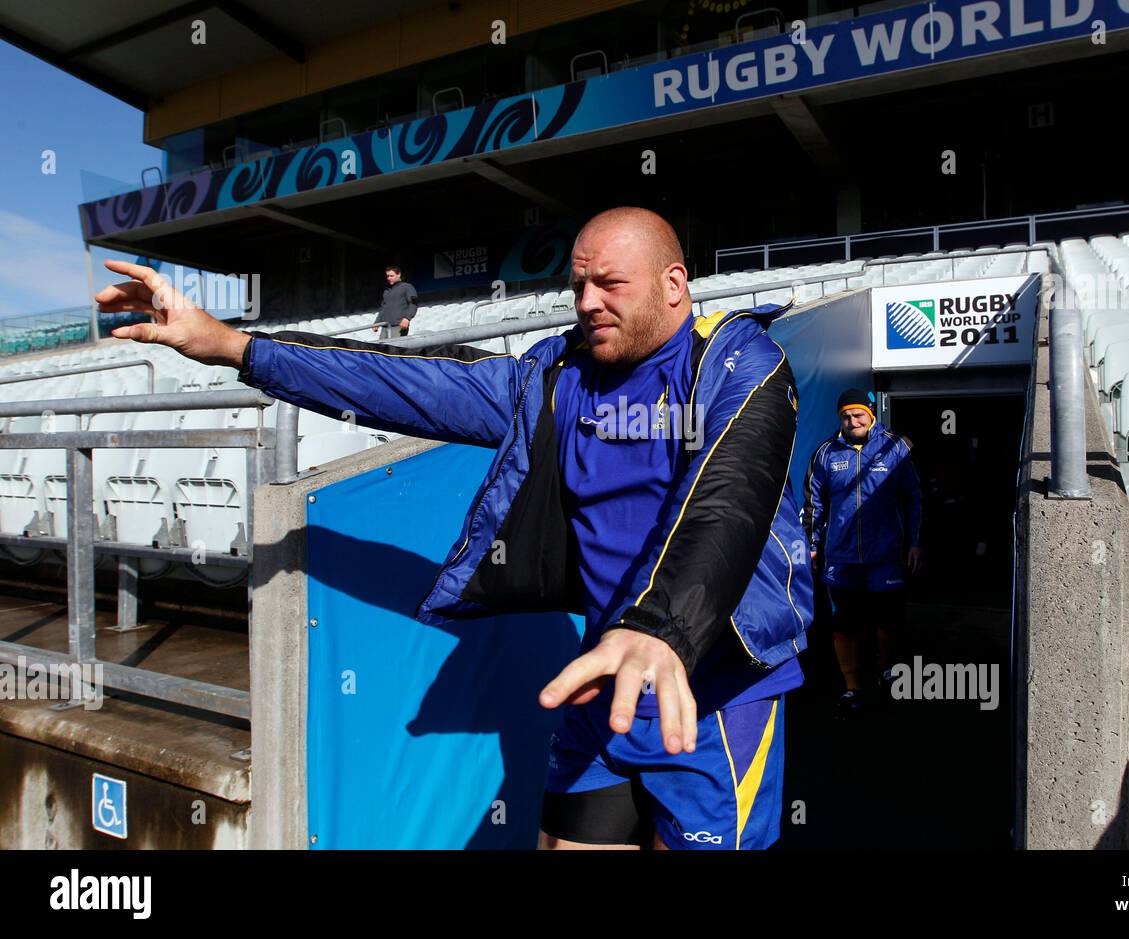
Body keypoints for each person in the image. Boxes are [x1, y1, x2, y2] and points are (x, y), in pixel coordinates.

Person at [98, 206, 812, 850]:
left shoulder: (734, 364)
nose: (587, 303)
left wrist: (660, 628)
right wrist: (232, 346)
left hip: (713, 688)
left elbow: (728, 496)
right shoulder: (556, 378)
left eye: (611, 285)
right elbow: (403, 382)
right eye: (578, 287)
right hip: (603, 673)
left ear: (674, 285)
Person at [804, 388, 921, 720]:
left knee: (888, 618)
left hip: (885, 554)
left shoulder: (896, 448)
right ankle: (852, 685)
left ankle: (887, 670)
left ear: (871, 415)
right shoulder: (825, 454)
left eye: (858, 415)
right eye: (846, 415)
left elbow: (914, 498)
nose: (852, 421)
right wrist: (812, 546)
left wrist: (915, 542)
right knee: (845, 622)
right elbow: (814, 505)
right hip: (841, 558)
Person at [371, 264, 417, 338]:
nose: (389, 278)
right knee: (382, 348)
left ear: (399, 274)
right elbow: (383, 308)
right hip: (385, 327)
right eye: (387, 276)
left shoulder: (407, 287)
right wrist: (377, 323)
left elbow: (413, 304)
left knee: (395, 348)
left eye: (391, 276)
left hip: (399, 327)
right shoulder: (386, 291)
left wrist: (407, 318)